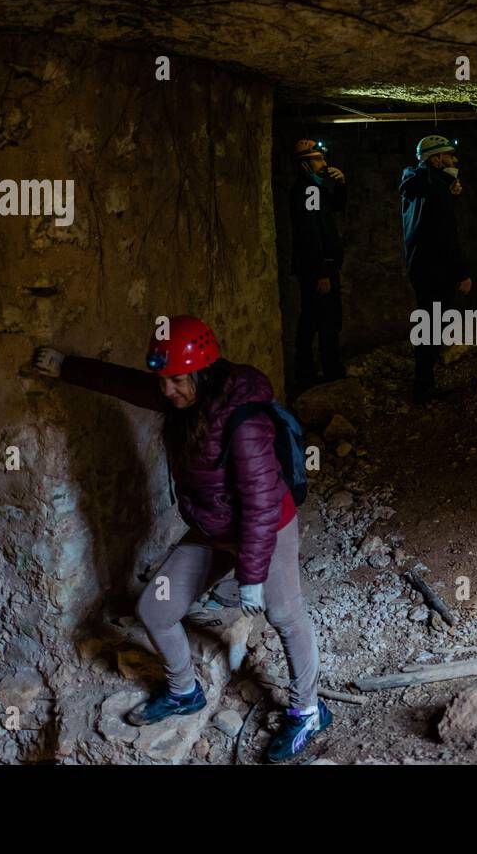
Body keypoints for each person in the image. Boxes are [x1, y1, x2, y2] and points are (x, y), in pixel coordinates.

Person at [30, 315, 330, 762]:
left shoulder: (244, 422)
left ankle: (308, 711)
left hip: (263, 529)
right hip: (213, 528)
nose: (166, 392)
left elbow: (262, 506)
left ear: (202, 372)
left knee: (285, 614)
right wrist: (67, 367)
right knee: (156, 608)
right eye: (163, 381)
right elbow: (129, 384)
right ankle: (184, 690)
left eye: (175, 382)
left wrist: (250, 576)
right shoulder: (184, 393)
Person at [399, 134, 472, 404]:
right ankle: (422, 390)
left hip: (420, 266)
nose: (455, 160)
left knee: (428, 324)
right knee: (432, 327)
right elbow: (445, 235)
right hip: (436, 269)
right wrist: (461, 273)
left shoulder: (415, 182)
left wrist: (446, 187)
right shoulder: (436, 189)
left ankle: (424, 383)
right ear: (436, 159)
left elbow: (427, 222)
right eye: (449, 155)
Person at [289, 138, 347, 388]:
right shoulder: (308, 190)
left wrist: (341, 184)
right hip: (318, 268)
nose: (324, 163)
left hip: (317, 266)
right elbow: (311, 232)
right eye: (318, 159)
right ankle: (329, 372)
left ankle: (307, 372)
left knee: (312, 318)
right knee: (326, 320)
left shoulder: (315, 187)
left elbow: (337, 207)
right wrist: (322, 271)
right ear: (305, 164)